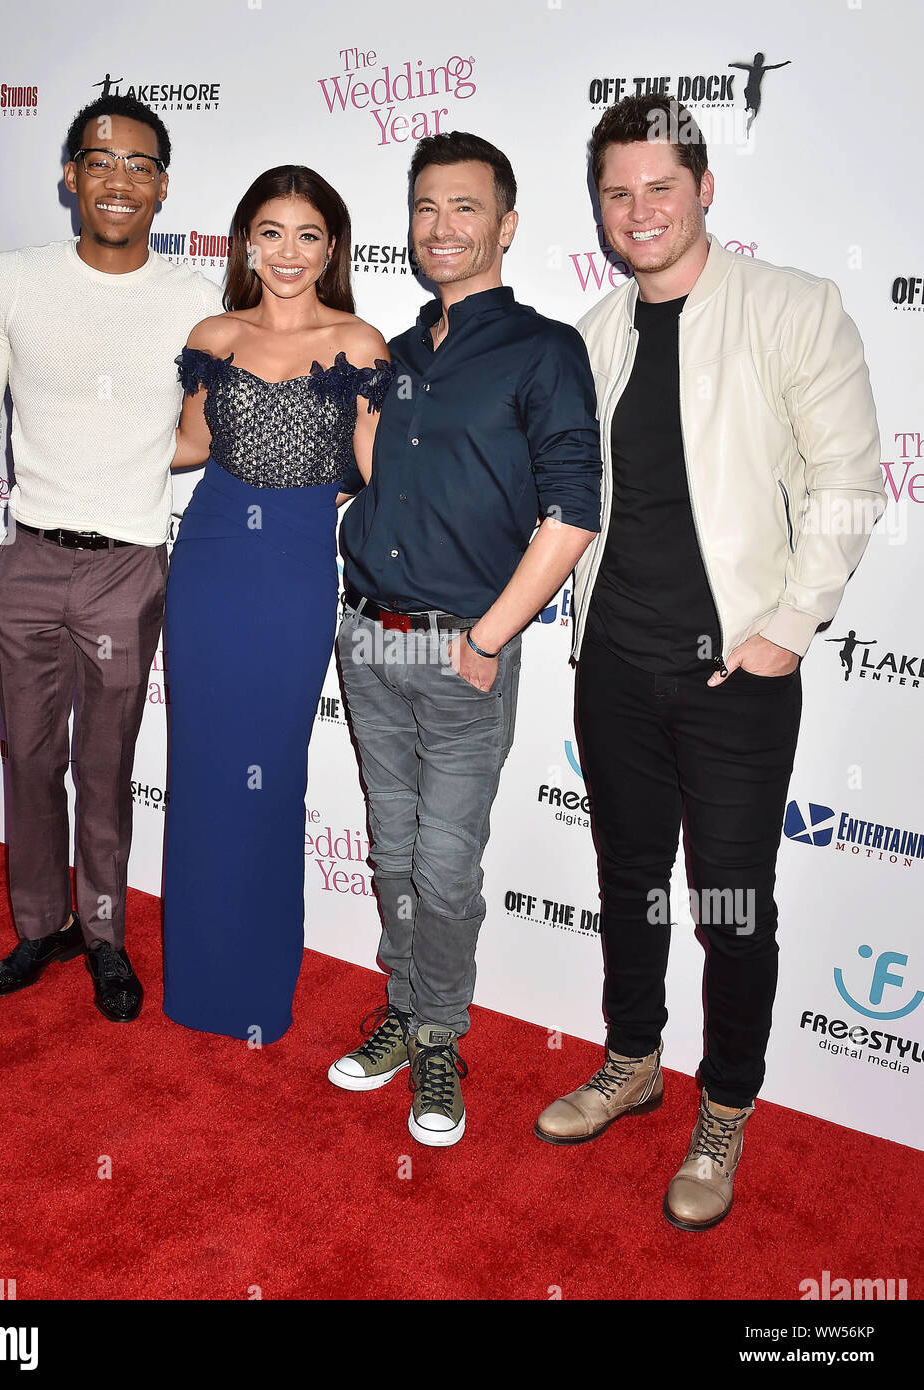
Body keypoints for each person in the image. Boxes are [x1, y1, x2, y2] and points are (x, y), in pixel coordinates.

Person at [534, 94, 886, 1229]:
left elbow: (846, 478)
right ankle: (631, 1058)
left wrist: (788, 624)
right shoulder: (591, 334)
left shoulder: (791, 308)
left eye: (658, 188)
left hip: (737, 680)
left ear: (703, 191)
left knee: (730, 906)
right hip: (616, 672)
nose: (637, 211)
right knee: (626, 884)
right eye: (616, 192)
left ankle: (723, 1103)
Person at [328, 132, 602, 1147]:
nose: (440, 228)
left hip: (459, 654)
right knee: (391, 855)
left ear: (505, 224)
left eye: (462, 208)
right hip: (365, 639)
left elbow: (573, 511)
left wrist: (487, 636)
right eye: (424, 209)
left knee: (445, 867)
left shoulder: (541, 350)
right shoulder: (388, 358)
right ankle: (406, 1012)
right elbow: (372, 481)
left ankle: (441, 1030)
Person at [0, 95, 223, 1021]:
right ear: (71, 174)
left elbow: (201, 431)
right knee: (28, 760)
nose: (120, 179)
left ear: (163, 188)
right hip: (24, 559)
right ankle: (40, 926)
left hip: (128, 569)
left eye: (140, 166)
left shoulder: (194, 299)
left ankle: (102, 935)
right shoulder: (11, 279)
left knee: (106, 766)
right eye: (101, 161)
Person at [161, 167, 391, 1044]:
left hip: (293, 570)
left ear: (331, 247)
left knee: (269, 773)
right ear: (245, 243)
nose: (288, 252)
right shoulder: (213, 334)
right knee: (203, 769)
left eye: (307, 235)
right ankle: (199, 981)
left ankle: (254, 987)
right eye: (270, 232)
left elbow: (376, 469)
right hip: (212, 562)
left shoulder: (360, 342)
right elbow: (187, 446)